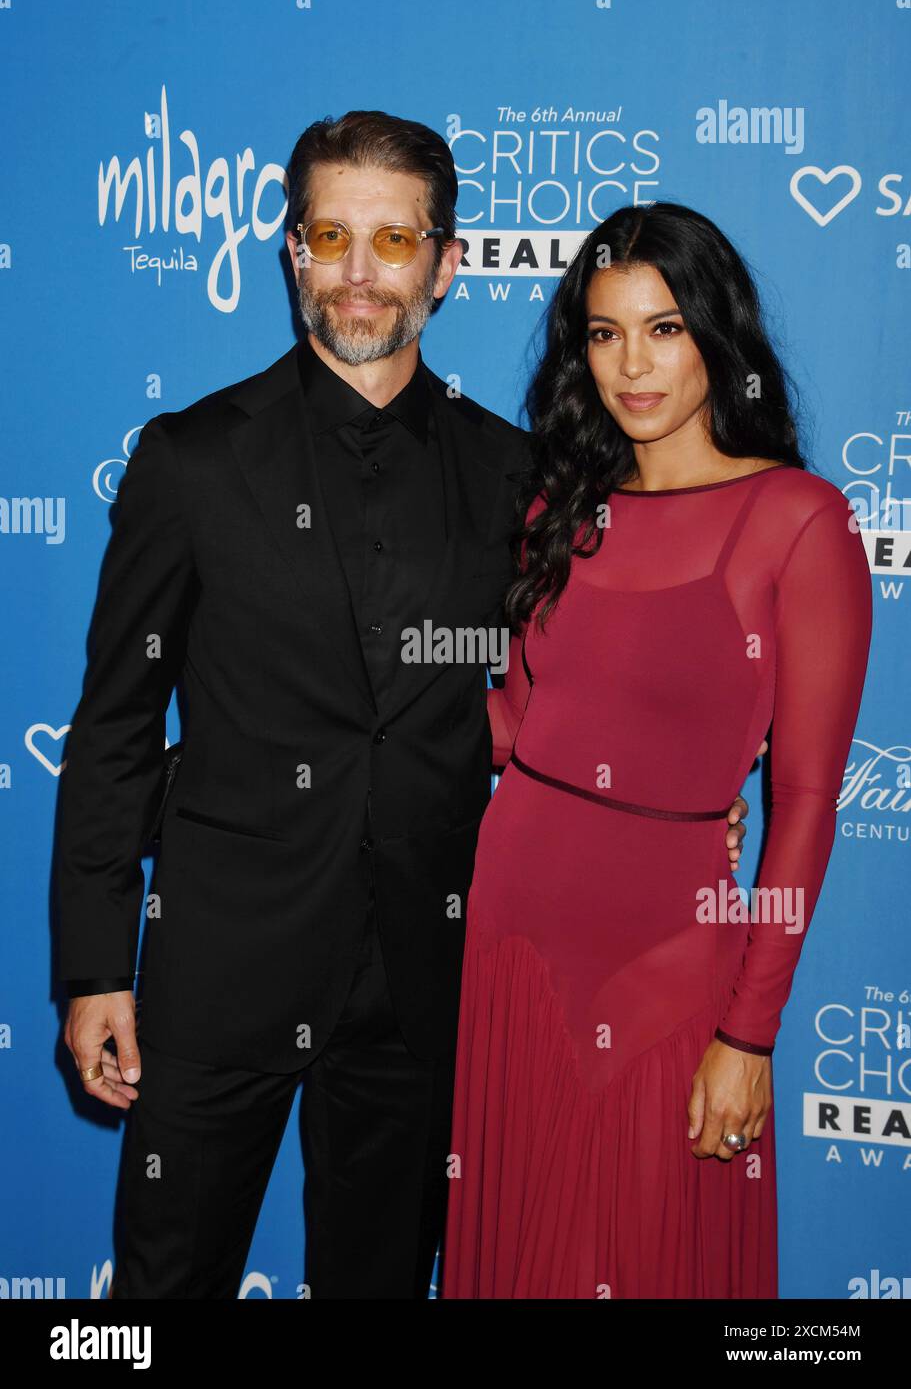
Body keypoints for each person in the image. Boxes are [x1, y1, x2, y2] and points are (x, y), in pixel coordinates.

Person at [54, 114, 751, 1301]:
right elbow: (117, 725)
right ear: (291, 252)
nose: (361, 271)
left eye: (394, 239)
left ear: (446, 263)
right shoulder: (191, 460)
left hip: (424, 976)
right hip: (220, 966)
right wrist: (91, 968)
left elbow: (568, 692)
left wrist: (672, 802)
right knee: (158, 1295)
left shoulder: (515, 475)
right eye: (332, 235)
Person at [441, 202, 872, 1299]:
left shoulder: (795, 521)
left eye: (662, 328)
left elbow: (809, 798)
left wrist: (750, 1035)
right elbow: (513, 727)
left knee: (647, 1261)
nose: (630, 365)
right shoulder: (561, 504)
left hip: (673, 963)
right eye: (602, 333)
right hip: (507, 942)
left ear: (715, 337)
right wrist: (349, 711)